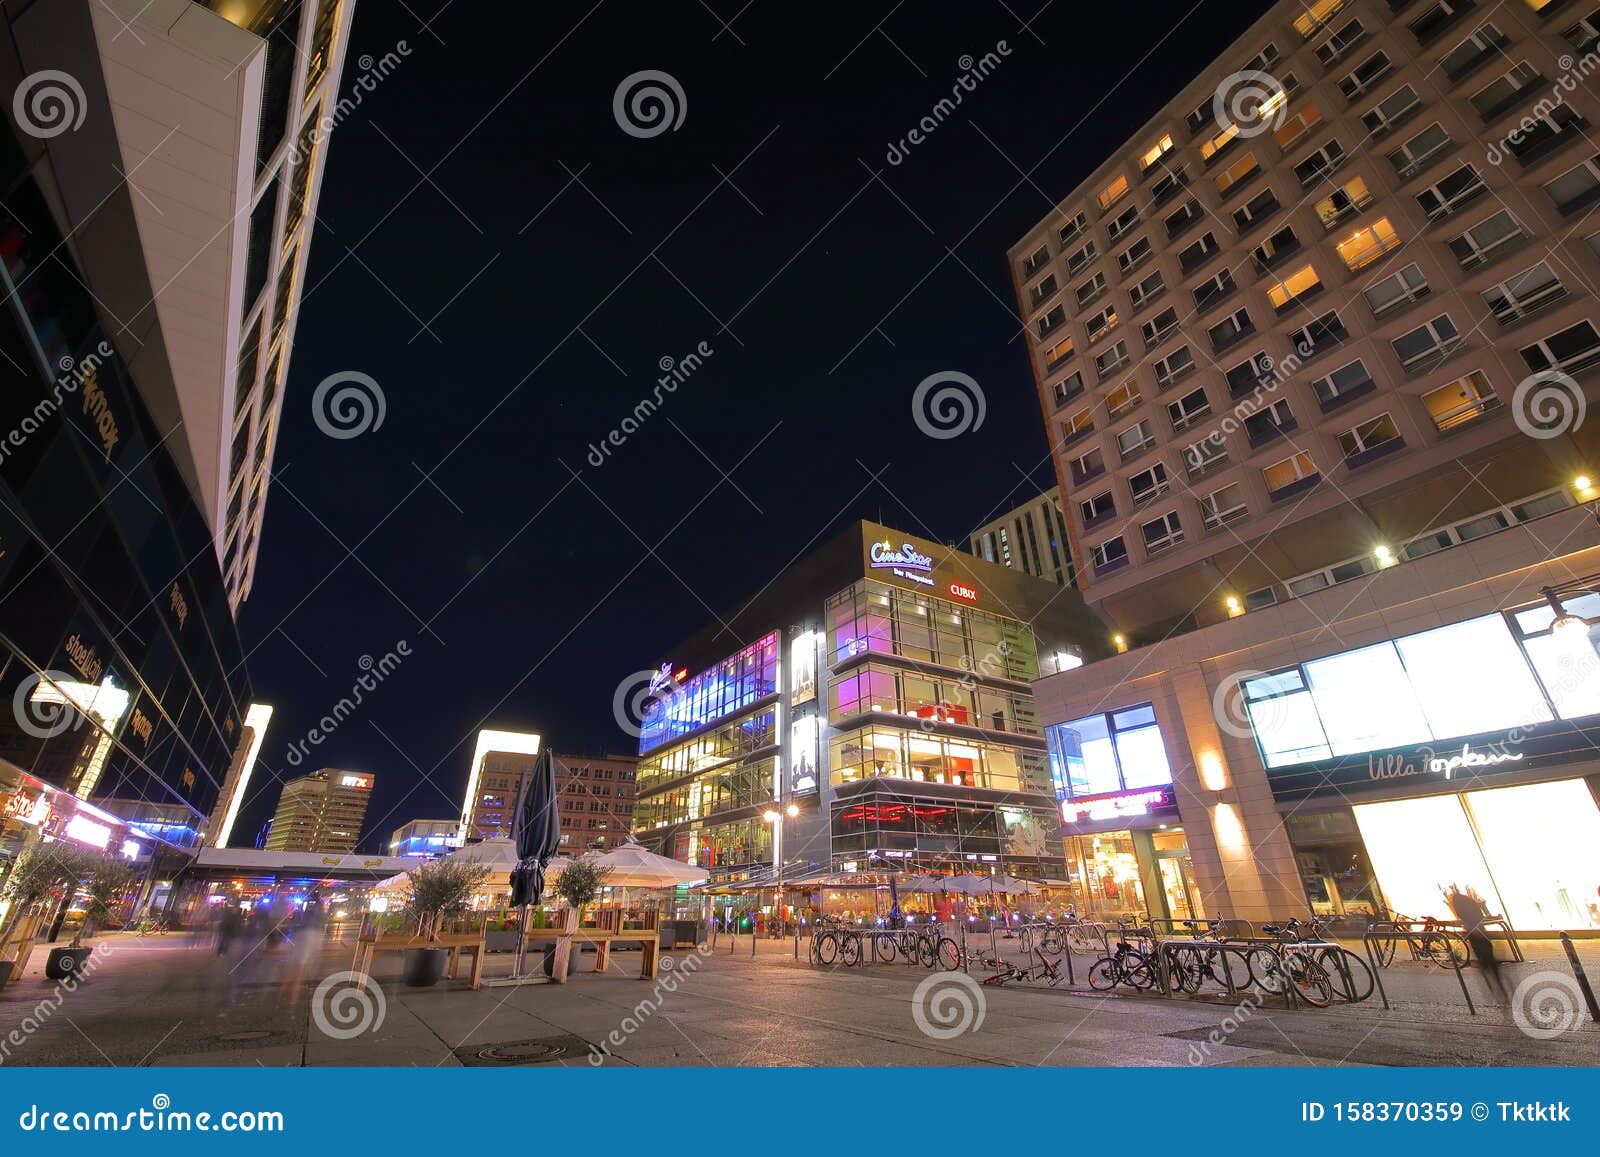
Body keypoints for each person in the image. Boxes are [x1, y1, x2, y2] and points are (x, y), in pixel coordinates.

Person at [1444, 884, 1504, 1000]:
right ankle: (1498, 981)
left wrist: (1466, 931)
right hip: (1482, 932)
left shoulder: (1458, 904)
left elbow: (1464, 919)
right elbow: (1479, 914)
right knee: (1489, 955)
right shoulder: (1469, 902)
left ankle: (1489, 979)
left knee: (1482, 958)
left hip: (1475, 935)